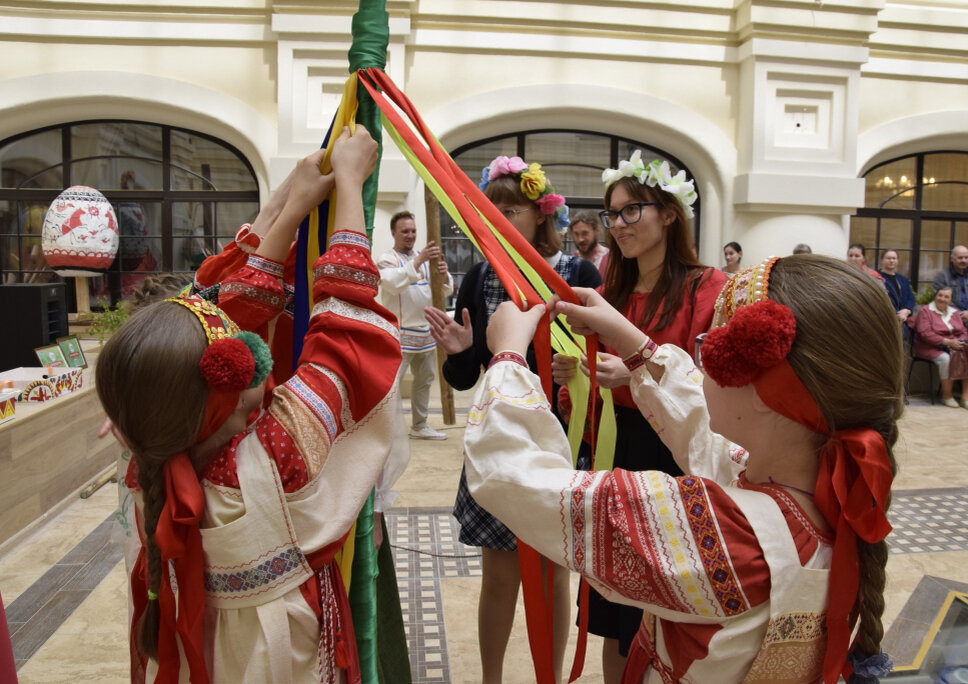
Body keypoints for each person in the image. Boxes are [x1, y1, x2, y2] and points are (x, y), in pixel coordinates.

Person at [467, 254, 899, 684]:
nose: (701, 359)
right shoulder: (820, 489)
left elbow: (517, 477)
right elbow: (705, 434)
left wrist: (508, 357)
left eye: (713, 345)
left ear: (767, 395)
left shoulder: (720, 533)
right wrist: (628, 337)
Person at [96, 126, 403, 683]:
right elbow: (346, 334)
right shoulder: (274, 455)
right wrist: (353, 185)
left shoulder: (153, 452)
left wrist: (291, 203)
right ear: (236, 381)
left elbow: (222, 305)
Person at [552, 151, 727, 683]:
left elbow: (713, 389)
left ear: (669, 214)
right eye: (613, 215)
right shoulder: (608, 297)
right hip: (617, 453)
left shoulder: (709, 289)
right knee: (616, 612)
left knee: (672, 608)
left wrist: (635, 375)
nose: (619, 225)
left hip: (676, 462)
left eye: (632, 212)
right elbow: (581, 400)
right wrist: (573, 378)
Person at [423, 155, 599, 683]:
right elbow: (466, 377)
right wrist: (459, 350)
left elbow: (603, 354)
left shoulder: (576, 273)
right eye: (492, 208)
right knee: (498, 576)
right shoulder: (480, 276)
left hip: (561, 443)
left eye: (513, 208)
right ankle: (491, 678)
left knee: (553, 574)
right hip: (499, 437)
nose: (501, 217)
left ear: (540, 215)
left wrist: (581, 370)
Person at [377, 210, 454, 440]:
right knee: (391, 385)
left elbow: (445, 290)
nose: (410, 235)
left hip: (426, 332)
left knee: (425, 381)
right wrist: (418, 262)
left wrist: (445, 275)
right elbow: (391, 283)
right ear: (393, 233)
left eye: (413, 231)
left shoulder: (426, 258)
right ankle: (385, 430)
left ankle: (419, 425)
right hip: (399, 333)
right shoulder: (386, 258)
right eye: (405, 231)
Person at [912, 286, 968, 409]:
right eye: (940, 295)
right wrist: (948, 341)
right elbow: (925, 333)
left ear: (951, 299)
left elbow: (963, 331)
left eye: (946, 297)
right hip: (930, 347)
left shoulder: (955, 312)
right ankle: (947, 396)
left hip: (954, 346)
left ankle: (966, 397)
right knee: (946, 359)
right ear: (935, 296)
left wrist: (962, 341)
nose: (942, 299)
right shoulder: (926, 311)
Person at [933, 244, 968, 348]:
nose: (964, 260)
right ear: (952, 258)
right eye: (960, 257)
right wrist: (958, 314)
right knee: (955, 356)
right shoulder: (942, 276)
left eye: (966, 257)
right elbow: (940, 298)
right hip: (950, 322)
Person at [879, 250, 914, 324]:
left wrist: (906, 310)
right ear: (882, 260)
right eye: (888, 258)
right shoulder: (876, 277)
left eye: (894, 258)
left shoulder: (903, 280)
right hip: (883, 319)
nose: (891, 261)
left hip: (902, 321)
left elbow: (910, 298)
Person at [571, 210, 610, 275]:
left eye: (585, 233)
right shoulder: (570, 260)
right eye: (576, 234)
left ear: (597, 231)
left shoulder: (611, 260)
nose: (580, 239)